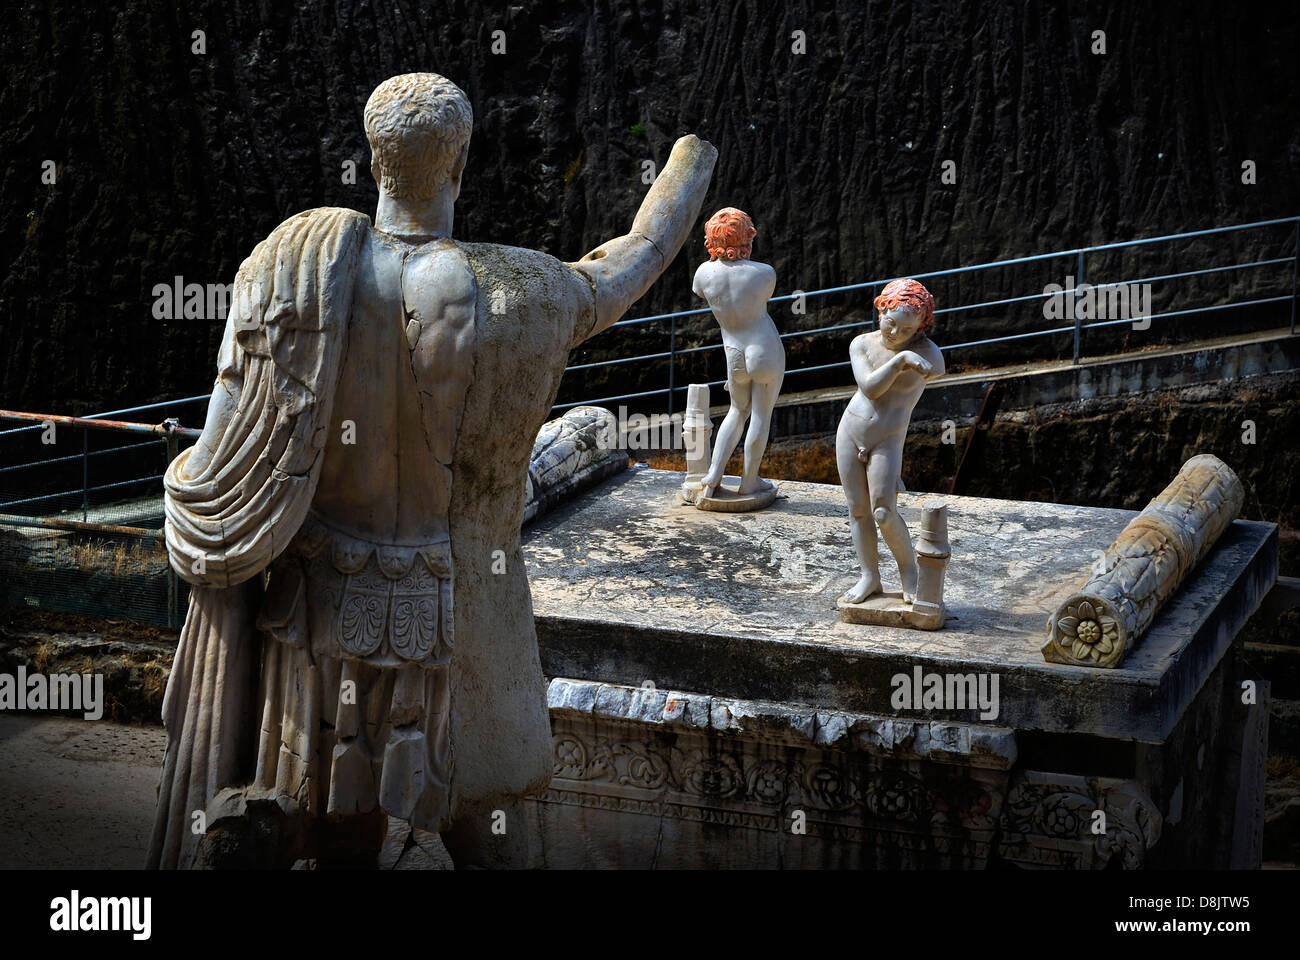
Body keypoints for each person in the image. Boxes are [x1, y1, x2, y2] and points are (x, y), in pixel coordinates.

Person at [149, 73, 716, 868]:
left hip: (318, 611)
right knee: (495, 836)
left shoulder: (291, 273)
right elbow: (634, 259)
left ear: (374, 160)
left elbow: (213, 465)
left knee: (338, 825)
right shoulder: (530, 292)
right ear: (460, 164)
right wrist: (692, 166)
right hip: (465, 612)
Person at [836, 278, 945, 604]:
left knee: (883, 511)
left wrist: (910, 356)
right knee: (858, 510)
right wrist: (900, 361)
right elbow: (870, 388)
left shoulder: (928, 354)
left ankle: (908, 571)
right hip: (850, 431)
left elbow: (935, 369)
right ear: (881, 310)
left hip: (887, 440)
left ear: (920, 330)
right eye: (890, 322)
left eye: (906, 330)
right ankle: (869, 576)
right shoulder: (862, 344)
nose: (895, 333)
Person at [692, 208, 785, 499]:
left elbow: (700, 291)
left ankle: (713, 475)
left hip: (732, 350)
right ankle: (749, 482)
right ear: (748, 237)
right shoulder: (764, 274)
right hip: (764, 347)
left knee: (736, 411)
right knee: (760, 414)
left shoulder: (703, 275)